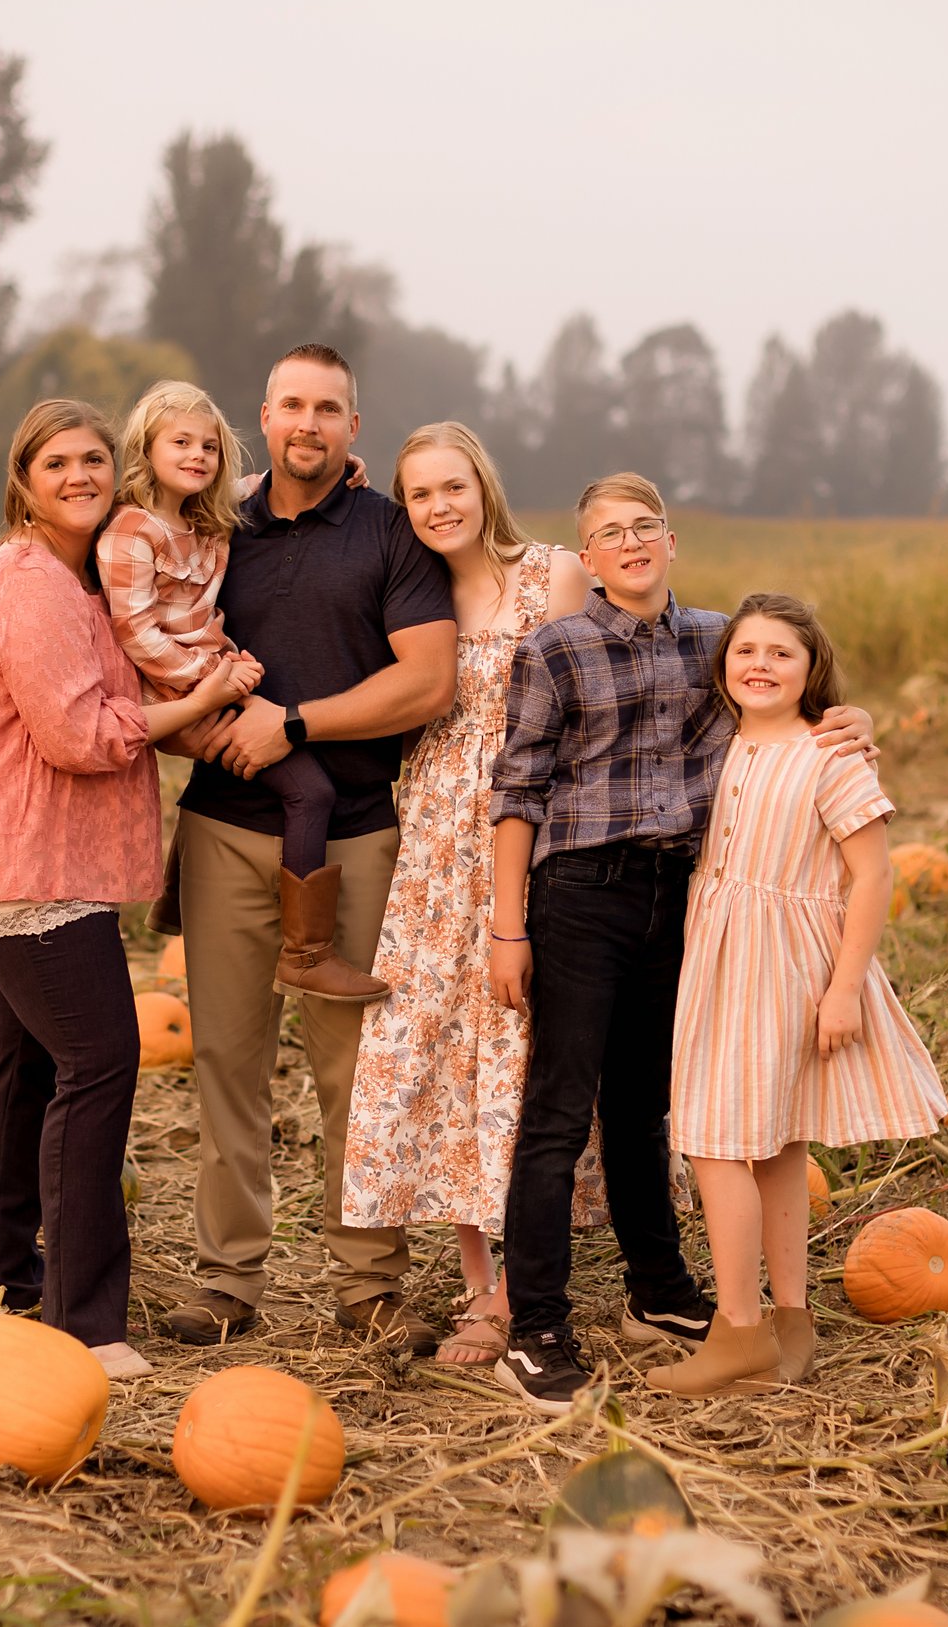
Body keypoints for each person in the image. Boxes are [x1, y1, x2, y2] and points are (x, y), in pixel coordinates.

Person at [484, 472, 873, 1414]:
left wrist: (849, 720)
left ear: (670, 539)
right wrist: (508, 925)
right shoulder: (556, 650)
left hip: (686, 898)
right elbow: (518, 791)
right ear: (588, 558)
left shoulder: (715, 641)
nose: (630, 543)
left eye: (644, 526)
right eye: (609, 534)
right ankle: (535, 1326)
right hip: (582, 893)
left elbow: (787, 700)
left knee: (646, 1108)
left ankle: (657, 1290)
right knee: (558, 1112)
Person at [0, 398, 248, 1381]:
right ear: (22, 482)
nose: (81, 475)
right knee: (101, 1061)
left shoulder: (80, 578)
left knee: (20, 1069)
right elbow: (78, 736)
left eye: (95, 458)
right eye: (57, 462)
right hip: (30, 872)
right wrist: (197, 703)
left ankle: (1, 1276)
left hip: (40, 864)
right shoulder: (28, 585)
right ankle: (83, 1320)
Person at [156, 344, 459, 1352]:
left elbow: (424, 682)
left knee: (354, 1070)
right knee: (226, 1062)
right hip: (221, 830)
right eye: (291, 403)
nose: (309, 423)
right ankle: (227, 1280)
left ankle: (367, 1284)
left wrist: (293, 725)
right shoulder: (210, 524)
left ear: (353, 429)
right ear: (264, 414)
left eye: (329, 408)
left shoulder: (389, 532)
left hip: (355, 835)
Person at [340, 421, 609, 1367]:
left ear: (482, 484)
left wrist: (819, 709)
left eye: (452, 486)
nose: (439, 506)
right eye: (418, 495)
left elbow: (637, 665)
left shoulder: (557, 575)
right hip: (433, 855)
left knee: (521, 1053)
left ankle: (535, 1274)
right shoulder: (412, 592)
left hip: (529, 837)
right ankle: (482, 1294)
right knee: (443, 1060)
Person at [649, 594, 946, 1396]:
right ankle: (790, 1316)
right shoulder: (722, 740)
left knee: (713, 1139)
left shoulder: (831, 752)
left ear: (812, 668)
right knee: (775, 1142)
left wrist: (845, 987)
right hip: (716, 951)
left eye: (782, 653)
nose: (761, 665)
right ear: (724, 664)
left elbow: (873, 872)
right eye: (746, 650)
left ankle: (738, 1329)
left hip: (784, 962)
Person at [96, 380, 386, 1003]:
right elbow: (137, 632)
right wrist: (211, 686)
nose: (197, 456)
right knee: (310, 789)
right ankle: (306, 952)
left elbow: (257, 486)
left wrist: (338, 470)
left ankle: (189, 906)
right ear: (147, 448)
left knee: (263, 776)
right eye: (180, 443)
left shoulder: (205, 517)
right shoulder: (132, 531)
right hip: (179, 686)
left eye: (208, 446)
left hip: (218, 676)